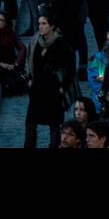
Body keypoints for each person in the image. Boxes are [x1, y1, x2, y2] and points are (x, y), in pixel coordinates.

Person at [24, 14, 75, 148]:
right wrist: (30, 78)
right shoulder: (36, 40)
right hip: (37, 88)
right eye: (40, 23)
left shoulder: (61, 43)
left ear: (52, 26)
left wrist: (63, 86)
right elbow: (29, 61)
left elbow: (70, 68)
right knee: (30, 121)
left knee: (55, 123)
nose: (40, 26)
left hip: (53, 89)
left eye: (44, 23)